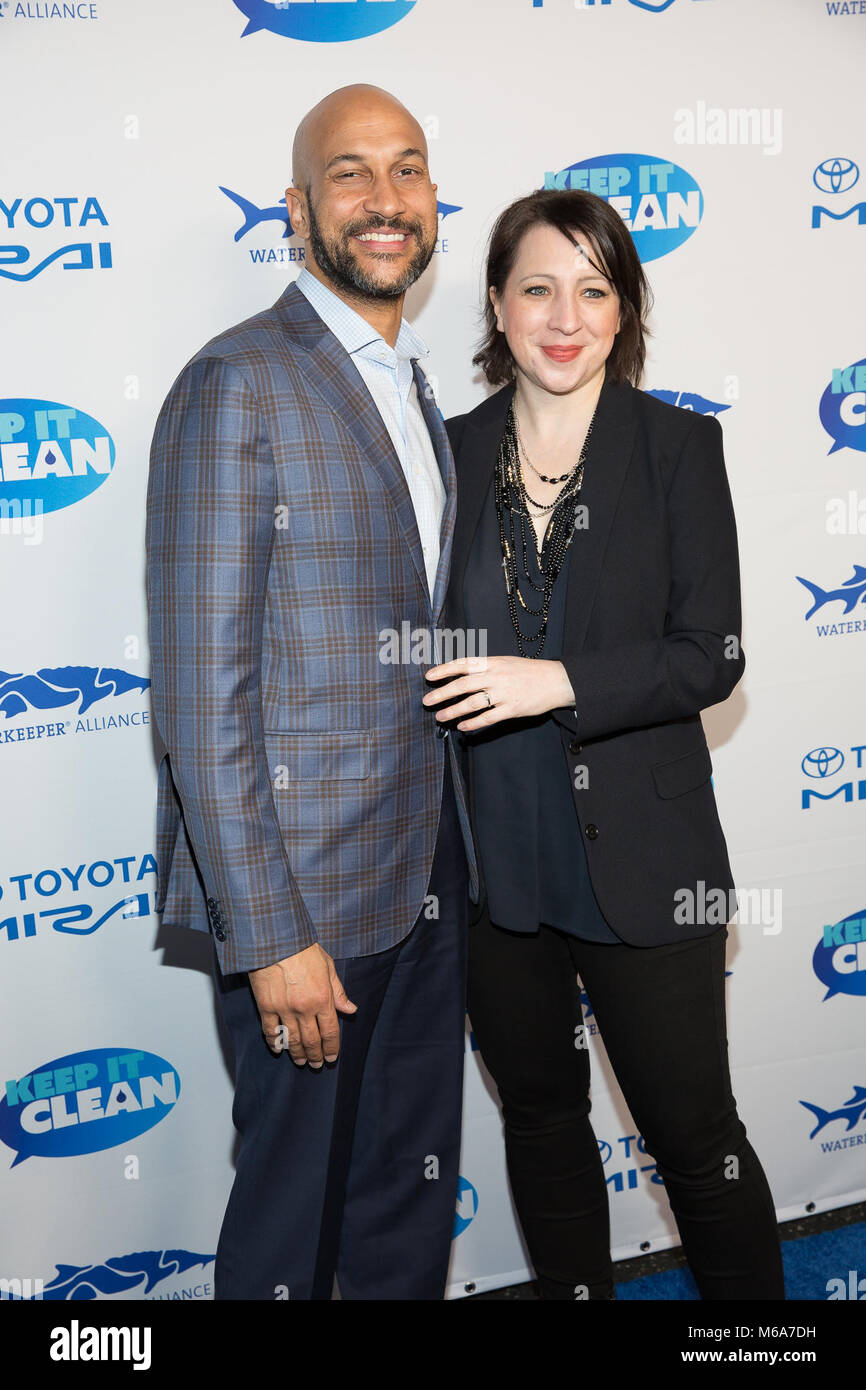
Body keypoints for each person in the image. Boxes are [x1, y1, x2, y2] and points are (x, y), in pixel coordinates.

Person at [145, 84, 477, 1301]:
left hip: (424, 875)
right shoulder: (236, 380)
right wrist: (271, 932)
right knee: (292, 1225)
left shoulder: (411, 387)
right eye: (350, 174)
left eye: (407, 170)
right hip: (304, 903)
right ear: (298, 208)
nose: (384, 199)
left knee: (401, 1197)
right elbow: (198, 685)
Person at [423, 188, 785, 1301]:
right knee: (538, 1121)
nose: (562, 314)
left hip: (644, 861)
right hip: (497, 874)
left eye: (592, 288)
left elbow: (707, 653)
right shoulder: (443, 455)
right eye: (536, 286)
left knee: (696, 1140)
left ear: (624, 310)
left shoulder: (676, 446)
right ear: (495, 302)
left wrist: (558, 680)